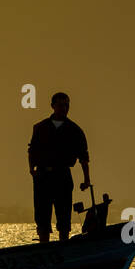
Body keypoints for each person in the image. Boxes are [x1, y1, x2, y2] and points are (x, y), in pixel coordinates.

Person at [27, 93, 90, 245]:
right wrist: (32, 170)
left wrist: (86, 179)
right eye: (61, 105)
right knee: (42, 217)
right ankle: (44, 247)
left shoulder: (74, 130)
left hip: (62, 176)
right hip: (43, 176)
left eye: (66, 105)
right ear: (53, 106)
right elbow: (32, 150)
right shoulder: (40, 127)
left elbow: (83, 157)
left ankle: (63, 247)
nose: (64, 108)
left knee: (64, 216)